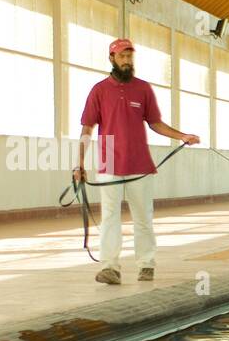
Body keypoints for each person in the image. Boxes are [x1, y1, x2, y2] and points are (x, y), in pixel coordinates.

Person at [73, 38, 200, 285]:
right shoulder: (99, 90)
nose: (127, 60)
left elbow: (155, 123)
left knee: (143, 217)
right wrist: (79, 164)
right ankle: (110, 267)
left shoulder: (143, 89)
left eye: (130, 56)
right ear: (112, 58)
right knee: (110, 217)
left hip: (139, 164)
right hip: (109, 163)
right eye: (122, 56)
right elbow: (87, 129)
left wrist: (182, 136)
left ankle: (146, 264)